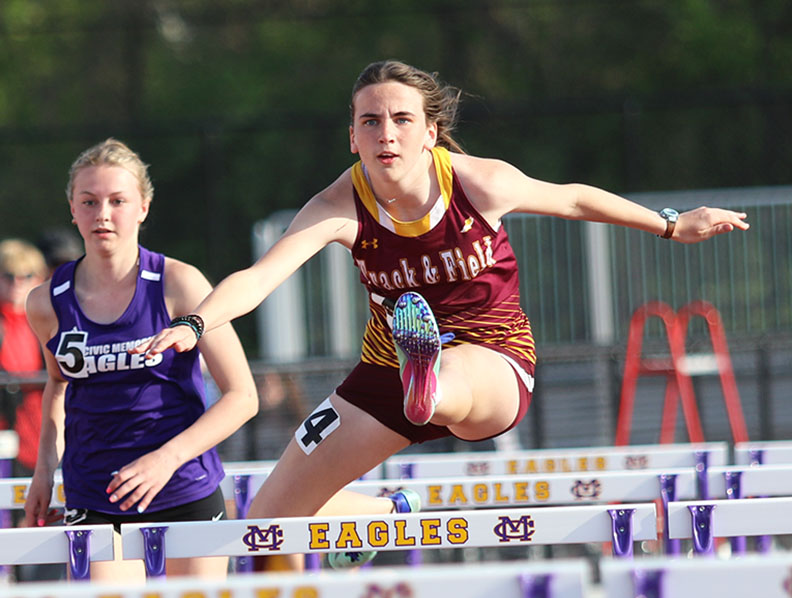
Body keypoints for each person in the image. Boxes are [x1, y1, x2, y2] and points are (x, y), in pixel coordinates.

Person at [134, 60, 749, 567]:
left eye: (402, 120)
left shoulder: (479, 183)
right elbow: (261, 276)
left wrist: (670, 224)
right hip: (383, 377)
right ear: (353, 136)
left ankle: (427, 379)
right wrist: (194, 324)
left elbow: (572, 199)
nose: (386, 135)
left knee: (445, 381)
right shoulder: (337, 205)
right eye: (370, 122)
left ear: (429, 131)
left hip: (491, 361)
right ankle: (384, 513)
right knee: (266, 526)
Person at [23, 138, 259, 598]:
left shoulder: (179, 283)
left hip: (183, 485)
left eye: (117, 200)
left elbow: (243, 396)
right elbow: (57, 388)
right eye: (88, 201)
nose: (102, 213)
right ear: (72, 209)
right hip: (96, 493)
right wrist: (44, 470)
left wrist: (166, 459)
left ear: (143, 207)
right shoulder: (46, 302)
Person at [0, 239, 48, 479]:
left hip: (45, 434)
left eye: (26, 276)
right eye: (9, 276)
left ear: (39, 278)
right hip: (6, 440)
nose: (17, 284)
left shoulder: (50, 321)